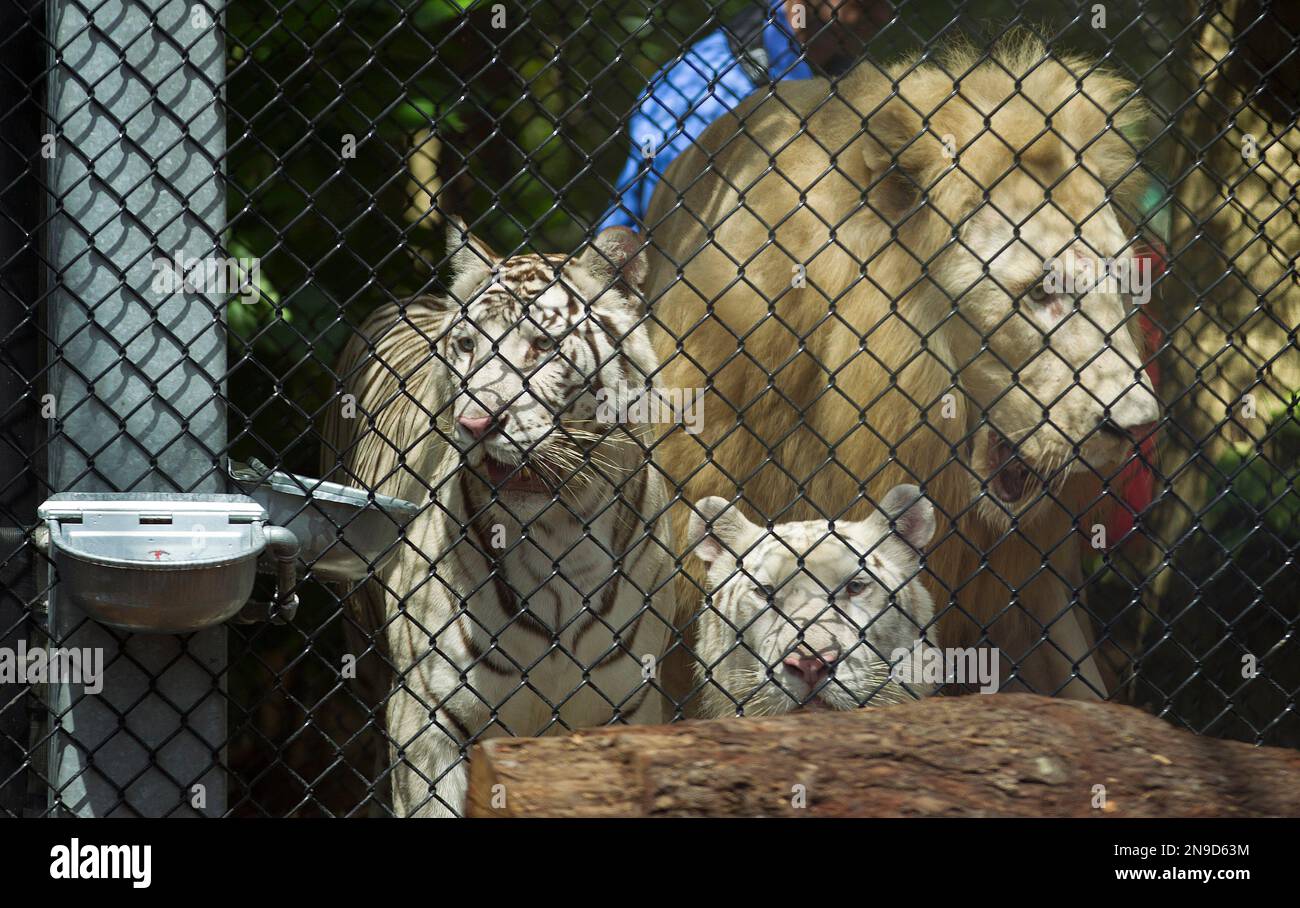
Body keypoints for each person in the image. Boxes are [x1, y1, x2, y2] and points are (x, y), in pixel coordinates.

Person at [600, 1, 888, 230]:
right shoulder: (708, 85)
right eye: (865, 3)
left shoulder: (844, 73)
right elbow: (673, 221)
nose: (884, 15)